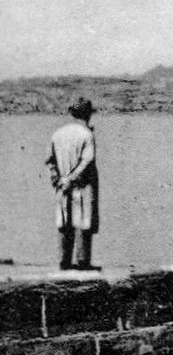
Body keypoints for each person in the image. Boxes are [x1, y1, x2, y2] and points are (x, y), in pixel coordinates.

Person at [46, 98, 99, 271]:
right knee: (84, 221)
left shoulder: (57, 133)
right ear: (88, 114)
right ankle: (83, 263)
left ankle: (64, 261)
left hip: (62, 186)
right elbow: (86, 161)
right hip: (81, 186)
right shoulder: (87, 135)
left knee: (64, 221)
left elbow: (50, 161)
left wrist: (58, 180)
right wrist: (71, 179)